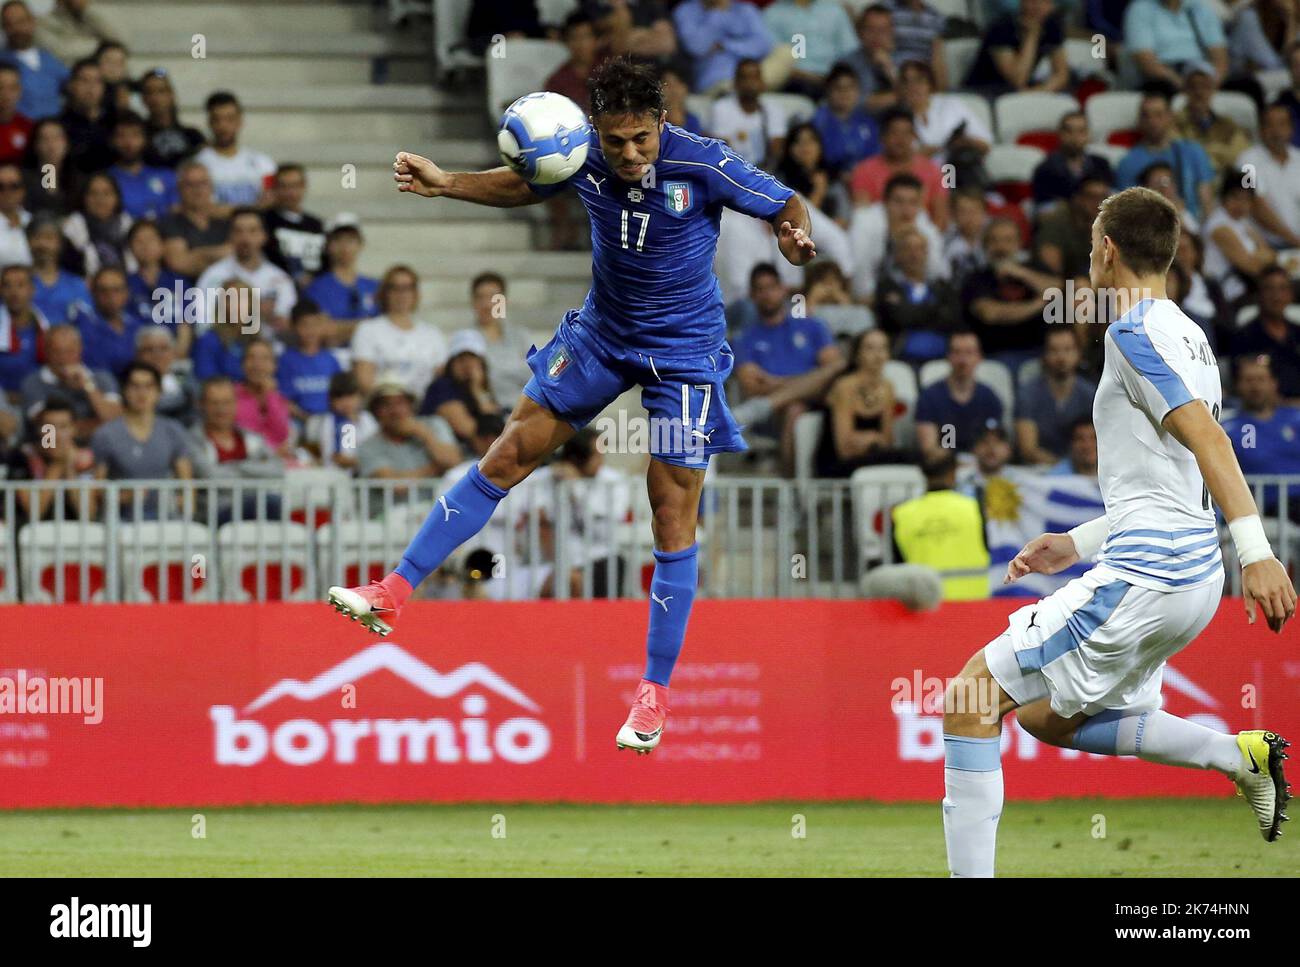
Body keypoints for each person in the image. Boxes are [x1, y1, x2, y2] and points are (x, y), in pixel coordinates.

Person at [328, 57, 818, 755]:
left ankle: (654, 694)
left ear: (661, 124)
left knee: (670, 507)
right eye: (614, 140)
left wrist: (794, 240)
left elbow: (785, 204)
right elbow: (529, 182)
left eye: (640, 140)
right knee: (508, 452)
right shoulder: (581, 153)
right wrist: (448, 184)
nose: (627, 154)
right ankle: (392, 591)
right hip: (602, 336)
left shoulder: (705, 164)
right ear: (595, 130)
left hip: (683, 352)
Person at [940, 185, 1296, 879]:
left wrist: (1258, 553)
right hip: (1185, 572)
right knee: (1046, 717)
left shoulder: (1130, 333)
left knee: (969, 698)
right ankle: (1238, 755)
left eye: (1091, 243)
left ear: (1106, 250)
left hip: (1153, 572)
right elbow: (1169, 476)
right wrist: (1078, 543)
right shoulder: (1189, 335)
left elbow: (1211, 443)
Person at [734, 262, 844, 471]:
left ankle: (791, 486)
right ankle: (795, 489)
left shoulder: (811, 326)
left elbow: (834, 370)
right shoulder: (745, 338)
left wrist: (775, 382)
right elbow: (752, 387)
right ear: (752, 295)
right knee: (794, 409)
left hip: (819, 400)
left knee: (835, 370)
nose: (767, 294)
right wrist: (809, 380)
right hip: (773, 415)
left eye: (772, 287)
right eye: (760, 289)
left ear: (782, 289)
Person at [90, 359, 192, 520]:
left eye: (149, 386)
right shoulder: (106, 434)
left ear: (159, 391)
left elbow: (187, 484)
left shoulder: (173, 430)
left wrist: (184, 508)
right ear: (124, 390)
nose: (142, 393)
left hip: (166, 520)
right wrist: (123, 498)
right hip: (122, 522)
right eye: (135, 386)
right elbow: (96, 491)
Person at [964, 216, 1060, 375]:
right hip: (995, 355)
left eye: (1008, 240)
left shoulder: (1034, 268)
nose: (1001, 247)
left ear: (1019, 244)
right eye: (994, 241)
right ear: (985, 246)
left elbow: (1060, 289)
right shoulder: (977, 278)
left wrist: (1020, 272)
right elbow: (991, 314)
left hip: (1041, 352)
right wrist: (1039, 303)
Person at [891, 451, 991, 600]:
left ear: (922, 474)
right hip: (972, 605)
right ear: (953, 473)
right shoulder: (973, 507)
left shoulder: (901, 514)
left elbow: (898, 563)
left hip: (924, 604)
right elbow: (988, 548)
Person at [816, 329, 907, 476]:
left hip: (873, 460)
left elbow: (887, 440)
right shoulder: (844, 387)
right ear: (857, 355)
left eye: (883, 348)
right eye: (870, 348)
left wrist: (867, 439)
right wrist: (874, 439)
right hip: (838, 464)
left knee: (908, 459)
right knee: (901, 459)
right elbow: (844, 448)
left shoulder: (888, 387)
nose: (878, 355)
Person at [1115, 89, 1215, 221]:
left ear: (1170, 116)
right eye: (1146, 115)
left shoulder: (1193, 152)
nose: (1152, 121)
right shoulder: (1128, 163)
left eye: (1158, 115)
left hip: (1194, 227)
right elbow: (1128, 212)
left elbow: (1207, 202)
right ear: (1139, 120)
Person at [194, 207, 297, 334]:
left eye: (253, 231)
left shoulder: (280, 279)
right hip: (228, 349)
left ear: (264, 236)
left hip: (270, 350)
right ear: (230, 236)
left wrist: (277, 320)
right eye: (238, 231)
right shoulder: (214, 275)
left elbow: (289, 328)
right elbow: (202, 325)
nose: (245, 238)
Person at [349, 264, 446, 398]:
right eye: (395, 288)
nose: (401, 294)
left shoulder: (433, 334)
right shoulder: (368, 330)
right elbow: (364, 382)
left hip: (424, 407)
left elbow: (441, 379)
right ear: (385, 292)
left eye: (407, 288)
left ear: (415, 293)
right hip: (383, 405)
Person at [1222, 354, 1300, 520]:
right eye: (1249, 380)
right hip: (1264, 508)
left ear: (1274, 383)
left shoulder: (1295, 419)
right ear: (1238, 385)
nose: (1255, 386)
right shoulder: (1227, 428)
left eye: (1261, 379)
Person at [849, 108, 949, 229]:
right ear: (882, 137)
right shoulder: (864, 171)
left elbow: (941, 219)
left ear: (914, 137)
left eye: (906, 133)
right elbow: (863, 217)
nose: (900, 140)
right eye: (894, 133)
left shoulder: (933, 170)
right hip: (880, 237)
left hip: (922, 239)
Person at [875, 224, 960, 362]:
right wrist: (935, 309)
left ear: (927, 253)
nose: (914, 254)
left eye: (919, 249)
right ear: (897, 255)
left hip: (943, 360)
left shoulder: (942, 287)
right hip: (902, 359)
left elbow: (952, 319)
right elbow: (898, 318)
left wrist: (909, 310)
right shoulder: (887, 286)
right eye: (907, 249)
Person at [915, 330, 1003, 458]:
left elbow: (994, 445)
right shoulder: (930, 397)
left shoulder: (989, 398)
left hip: (980, 467)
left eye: (969, 352)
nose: (962, 360)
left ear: (979, 357)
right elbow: (930, 448)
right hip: (943, 468)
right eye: (957, 352)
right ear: (948, 357)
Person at [1015, 327, 1096, 465]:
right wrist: (1061, 468)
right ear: (1044, 356)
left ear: (1078, 354)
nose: (1061, 358)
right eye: (1054, 350)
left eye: (1067, 350)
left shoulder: (1090, 394)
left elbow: (1098, 444)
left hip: (1083, 471)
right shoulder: (1028, 393)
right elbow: (1028, 449)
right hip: (1037, 470)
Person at [671, 0, 783, 96]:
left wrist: (725, 45)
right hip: (717, 80)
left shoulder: (745, 9)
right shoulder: (686, 10)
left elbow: (763, 45)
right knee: (728, 86)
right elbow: (697, 47)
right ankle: (744, 89)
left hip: (751, 74)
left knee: (785, 52)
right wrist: (717, 12)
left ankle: (749, 87)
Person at [1201, 171, 1276, 305]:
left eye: (1246, 199)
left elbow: (1270, 253)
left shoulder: (1241, 221)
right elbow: (1254, 267)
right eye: (1236, 198)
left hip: (1249, 285)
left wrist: (1257, 257)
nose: (1241, 204)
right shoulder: (1219, 226)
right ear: (1224, 197)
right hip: (1230, 294)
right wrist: (1259, 257)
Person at [418, 328, 503, 448]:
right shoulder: (442, 387)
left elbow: (497, 428)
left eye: (472, 359)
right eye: (461, 359)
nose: (468, 365)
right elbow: (468, 430)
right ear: (451, 363)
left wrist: (477, 390)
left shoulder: (481, 390)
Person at [964, 0, 1069, 96]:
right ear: (1022, 3)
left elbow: (1061, 75)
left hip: (1019, 92)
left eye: (1044, 2)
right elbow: (1017, 79)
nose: (1038, 7)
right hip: (984, 90)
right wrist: (1032, 36)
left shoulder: (1051, 25)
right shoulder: (1001, 28)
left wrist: (1036, 92)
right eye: (1033, 2)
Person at [460, 272, 533, 406]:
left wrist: (494, 371)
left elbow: (535, 374)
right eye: (481, 297)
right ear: (473, 301)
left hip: (526, 409)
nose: (487, 304)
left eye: (494, 297)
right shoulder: (464, 340)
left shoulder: (521, 336)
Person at [1235, 102, 1300, 250]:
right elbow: (1254, 204)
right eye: (1270, 125)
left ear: (1291, 129)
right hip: (1263, 246)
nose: (1276, 131)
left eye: (1282, 124)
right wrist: (1294, 240)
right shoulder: (1247, 162)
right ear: (1260, 129)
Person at [194, 91, 275, 207]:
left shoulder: (263, 163)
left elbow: (270, 199)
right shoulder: (198, 163)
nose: (223, 126)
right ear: (209, 123)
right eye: (217, 119)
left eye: (229, 119)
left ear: (240, 121)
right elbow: (202, 209)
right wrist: (253, 209)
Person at [1123, 0, 1229, 88]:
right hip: (1165, 75)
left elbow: (1220, 57)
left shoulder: (1201, 9)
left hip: (1200, 72)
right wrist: (1184, 85)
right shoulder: (1139, 9)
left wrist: (1211, 83)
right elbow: (1146, 61)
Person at [302, 220, 379, 340]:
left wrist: (340, 327)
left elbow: (387, 326)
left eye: (350, 240)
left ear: (361, 244)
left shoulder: (375, 286)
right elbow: (322, 331)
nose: (344, 247)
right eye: (337, 240)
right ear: (328, 246)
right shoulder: (316, 288)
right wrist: (367, 325)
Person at [762, 0, 857, 97]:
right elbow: (774, 57)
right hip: (797, 78)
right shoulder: (773, 13)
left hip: (834, 77)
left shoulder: (834, 10)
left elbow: (850, 50)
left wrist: (837, 75)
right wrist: (809, 77)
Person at [1174, 62, 1252, 177]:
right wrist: (1219, 152)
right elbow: (1182, 156)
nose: (1199, 92)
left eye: (1205, 86)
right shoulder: (1174, 123)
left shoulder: (1227, 125)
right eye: (1193, 87)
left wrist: (1209, 152)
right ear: (1185, 91)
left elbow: (1243, 155)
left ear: (1213, 90)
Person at [1234, 265, 1300, 400]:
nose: (1277, 296)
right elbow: (1243, 383)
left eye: (1283, 288)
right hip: (1264, 412)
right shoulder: (1244, 337)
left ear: (1291, 295)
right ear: (1258, 294)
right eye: (1269, 289)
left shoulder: (1298, 333)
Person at [158, 160, 231, 280]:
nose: (197, 190)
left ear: (211, 187)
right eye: (190, 185)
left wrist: (197, 254)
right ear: (179, 189)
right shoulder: (170, 222)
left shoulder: (226, 220)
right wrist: (220, 255)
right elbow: (179, 263)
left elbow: (238, 256)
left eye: (203, 183)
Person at [709, 58, 785, 169]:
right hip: (733, 172)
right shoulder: (721, 108)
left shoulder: (774, 110)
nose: (750, 83)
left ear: (762, 83)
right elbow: (723, 152)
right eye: (744, 78)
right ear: (735, 83)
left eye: (755, 77)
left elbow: (776, 151)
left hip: (764, 174)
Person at [1030, 111, 1115, 212]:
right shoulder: (1045, 170)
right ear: (1060, 134)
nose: (1075, 137)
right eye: (1069, 131)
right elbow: (1043, 208)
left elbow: (1111, 196)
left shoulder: (1101, 164)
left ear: (1088, 134)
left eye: (1081, 131)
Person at [0, 1, 66, 122]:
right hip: (18, 132)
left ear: (32, 21)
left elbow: (72, 85)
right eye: (9, 24)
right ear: (4, 28)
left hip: (54, 130)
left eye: (21, 21)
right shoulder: (2, 62)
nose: (17, 29)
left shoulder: (49, 58)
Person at [72, 265, 142, 378]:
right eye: (103, 291)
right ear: (93, 293)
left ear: (127, 293)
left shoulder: (137, 326)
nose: (111, 296)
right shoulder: (81, 328)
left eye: (117, 290)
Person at [810, 65, 879, 179]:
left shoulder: (868, 122)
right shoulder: (817, 123)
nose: (844, 93)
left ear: (858, 91)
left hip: (866, 178)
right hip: (831, 180)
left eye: (850, 87)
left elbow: (876, 155)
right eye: (838, 88)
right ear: (828, 91)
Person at [277, 298, 340, 421]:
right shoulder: (285, 361)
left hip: (328, 421)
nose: (310, 330)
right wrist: (306, 418)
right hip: (298, 421)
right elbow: (283, 399)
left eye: (315, 324)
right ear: (294, 327)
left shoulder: (331, 360)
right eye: (304, 325)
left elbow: (340, 396)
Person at [261, 164, 325, 286]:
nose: (290, 192)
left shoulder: (316, 225)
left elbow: (325, 261)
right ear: (275, 189)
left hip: (315, 292)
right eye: (284, 187)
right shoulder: (265, 222)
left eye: (295, 186)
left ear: (304, 187)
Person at [106, 111, 177, 220]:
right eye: (121, 135)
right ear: (112, 141)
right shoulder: (106, 180)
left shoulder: (166, 176)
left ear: (145, 140)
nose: (128, 143)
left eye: (135, 135)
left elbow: (177, 214)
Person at [61, 171, 131, 275]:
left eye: (106, 193)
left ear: (117, 197)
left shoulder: (127, 223)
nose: (100, 200)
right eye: (93, 193)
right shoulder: (73, 225)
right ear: (84, 198)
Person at [834, 4, 900, 114]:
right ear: (860, 32)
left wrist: (890, 69)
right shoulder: (846, 64)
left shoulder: (904, 61)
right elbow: (852, 102)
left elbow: (913, 100)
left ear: (891, 32)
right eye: (870, 29)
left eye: (882, 30)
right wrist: (898, 97)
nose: (877, 35)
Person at [234, 337, 293, 456]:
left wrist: (269, 396)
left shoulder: (278, 398)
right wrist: (271, 452)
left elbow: (281, 436)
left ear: (274, 366)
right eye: (251, 358)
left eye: (264, 359)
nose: (257, 364)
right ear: (243, 364)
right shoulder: (231, 395)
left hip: (276, 463)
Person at [138, 67, 203, 169]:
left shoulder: (193, 136)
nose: (155, 98)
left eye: (161, 91)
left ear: (171, 95)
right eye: (149, 92)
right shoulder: (138, 136)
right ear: (143, 98)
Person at [134, 325, 196, 427]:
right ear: (138, 355)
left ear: (173, 352)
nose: (157, 355)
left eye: (163, 348)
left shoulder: (185, 377)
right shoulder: (131, 382)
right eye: (149, 349)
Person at [0, 262, 47, 394]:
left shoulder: (47, 328)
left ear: (32, 289)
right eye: (7, 286)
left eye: (21, 285)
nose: (14, 292)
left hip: (39, 401)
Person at [544, 12, 602, 113]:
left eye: (585, 37)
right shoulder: (557, 81)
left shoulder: (610, 70)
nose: (580, 44)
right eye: (574, 38)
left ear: (596, 40)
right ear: (566, 42)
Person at [20, 117, 76, 216]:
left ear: (67, 143)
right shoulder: (23, 179)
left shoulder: (78, 179)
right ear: (36, 145)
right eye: (45, 139)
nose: (51, 145)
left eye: (57, 138)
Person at [0, 63, 32, 165]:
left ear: (20, 91)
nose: (6, 94)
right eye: (0, 87)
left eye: (12, 88)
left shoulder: (28, 126)